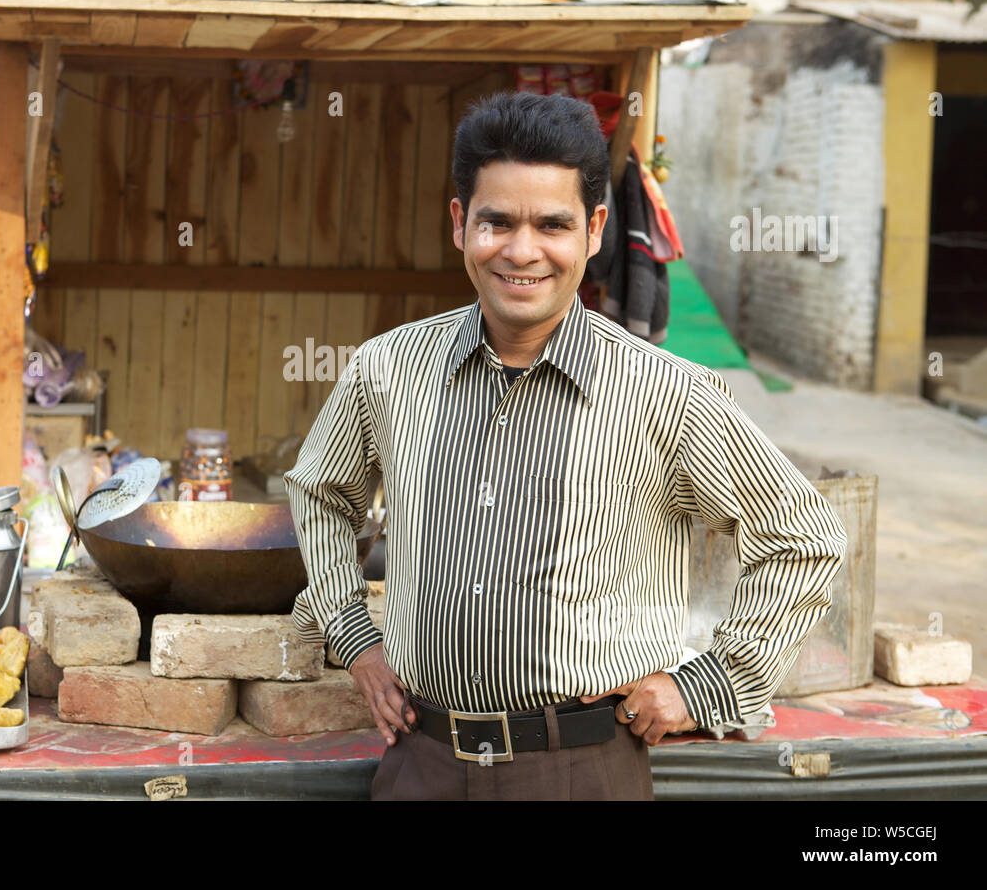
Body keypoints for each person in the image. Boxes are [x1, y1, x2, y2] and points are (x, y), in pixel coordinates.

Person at [283, 91, 848, 800]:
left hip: (580, 772)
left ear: (594, 230)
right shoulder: (388, 369)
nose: (522, 251)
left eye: (552, 224)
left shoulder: (667, 393)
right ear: (461, 224)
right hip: (420, 763)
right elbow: (320, 491)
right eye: (497, 222)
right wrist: (355, 638)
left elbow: (804, 538)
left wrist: (706, 683)